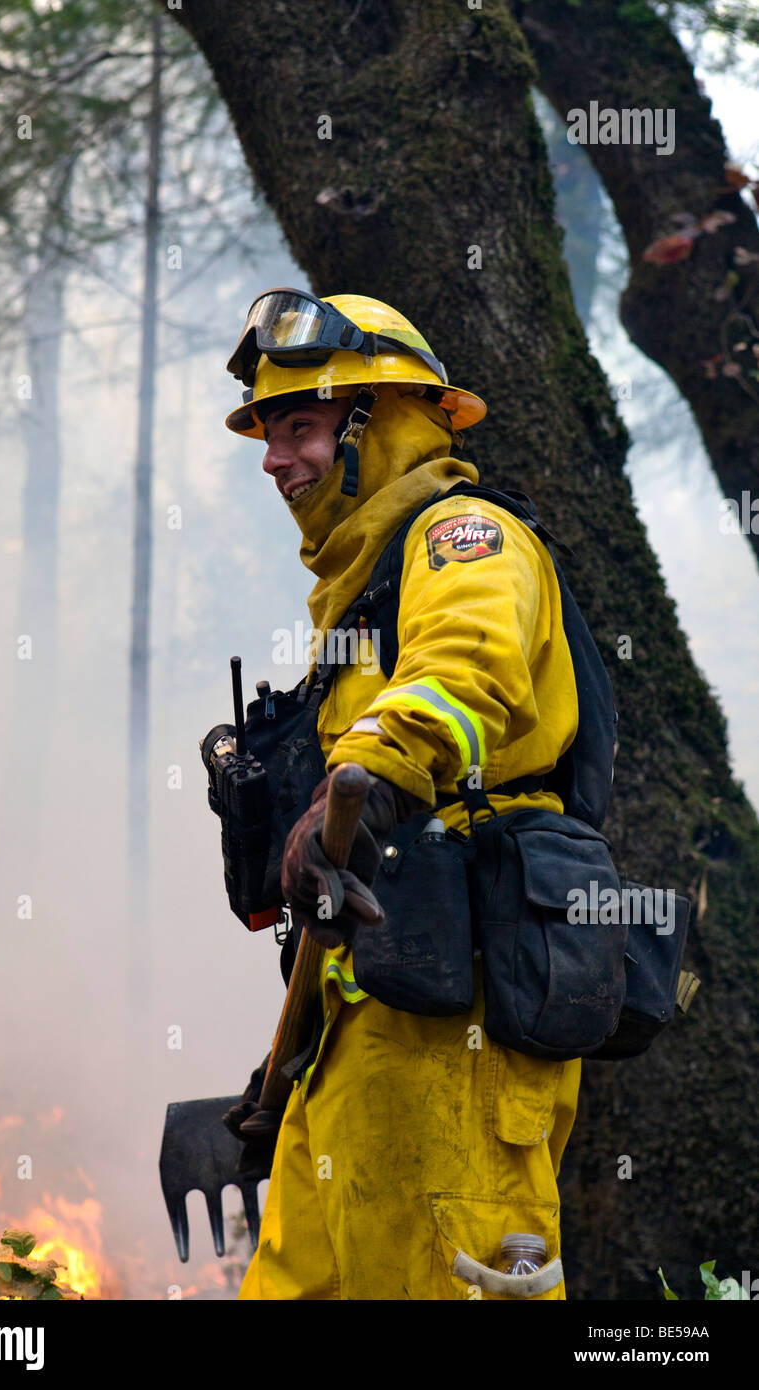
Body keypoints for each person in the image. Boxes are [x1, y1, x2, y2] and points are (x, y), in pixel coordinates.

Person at [223, 289, 582, 1300]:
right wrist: (283, 1061)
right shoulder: (362, 592)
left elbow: (465, 668)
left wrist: (370, 769)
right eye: (265, 430)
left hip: (454, 1031)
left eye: (295, 424)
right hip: (359, 1030)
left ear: (370, 422)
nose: (271, 457)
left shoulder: (462, 538)